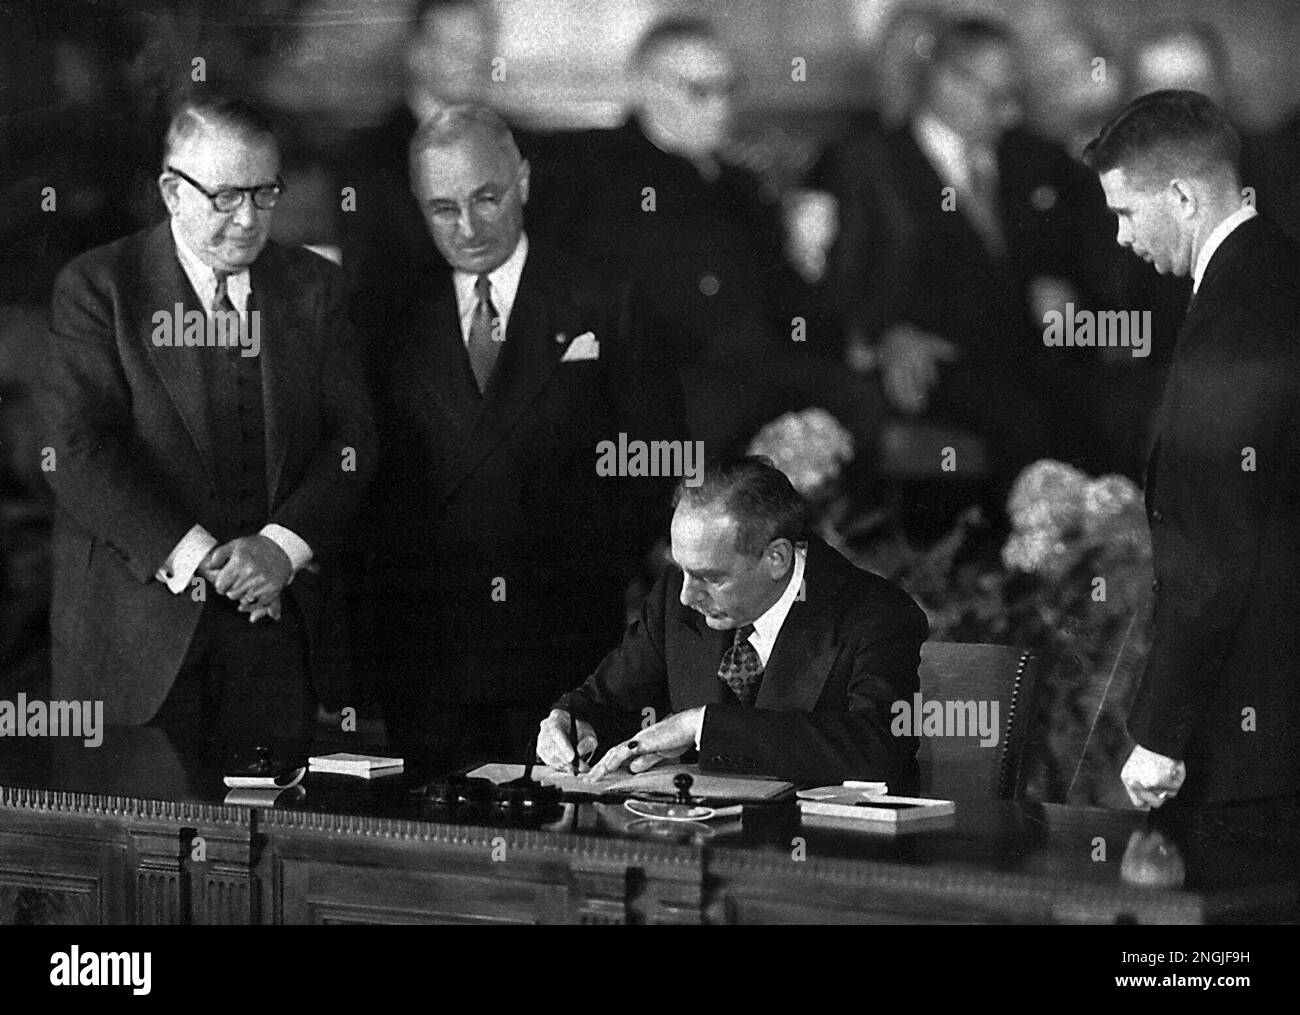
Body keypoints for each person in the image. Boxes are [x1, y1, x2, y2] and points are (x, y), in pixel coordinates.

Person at [40, 95, 376, 750]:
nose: (248, 219)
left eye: (264, 193)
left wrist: (280, 546)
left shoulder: (315, 288)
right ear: (171, 189)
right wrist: (204, 557)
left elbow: (352, 440)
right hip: (134, 649)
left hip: (277, 642)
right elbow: (79, 451)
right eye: (225, 197)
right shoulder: (98, 287)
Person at [356, 104, 686, 766]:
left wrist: (581, 571)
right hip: (432, 653)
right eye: (443, 209)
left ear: (523, 180)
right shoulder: (384, 312)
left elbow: (654, 458)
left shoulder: (603, 296)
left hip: (565, 646)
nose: (470, 227)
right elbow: (366, 476)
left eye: (487, 197)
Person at [1082, 90, 1300, 806]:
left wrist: (1158, 734)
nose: (1120, 237)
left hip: (1260, 707)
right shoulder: (1279, 271)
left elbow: (1215, 543)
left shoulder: (1233, 316)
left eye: (1123, 211)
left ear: (1179, 195)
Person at [822, 17, 1119, 522]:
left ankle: (1101, 568)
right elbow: (839, 282)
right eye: (996, 96)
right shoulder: (867, 163)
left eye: (1015, 96)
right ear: (946, 82)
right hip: (934, 360)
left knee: (1112, 406)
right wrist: (885, 335)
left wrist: (1070, 295)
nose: (1010, 112)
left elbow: (1088, 256)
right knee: (1020, 420)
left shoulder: (1037, 159)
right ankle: (1020, 578)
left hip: (1039, 349)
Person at [557, 16, 882, 460]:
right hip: (672, 371)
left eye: (728, 89)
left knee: (853, 399)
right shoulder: (599, 170)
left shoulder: (739, 183)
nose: (721, 108)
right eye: (700, 91)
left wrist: (842, 342)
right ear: (648, 86)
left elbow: (788, 292)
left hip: (762, 362)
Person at [537, 456, 928, 788]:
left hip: (818, 859)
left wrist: (703, 725)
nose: (689, 596)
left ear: (776, 558)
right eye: (683, 571)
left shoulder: (876, 614)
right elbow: (607, 702)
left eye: (713, 577)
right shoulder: (677, 595)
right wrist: (571, 723)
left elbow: (880, 749)